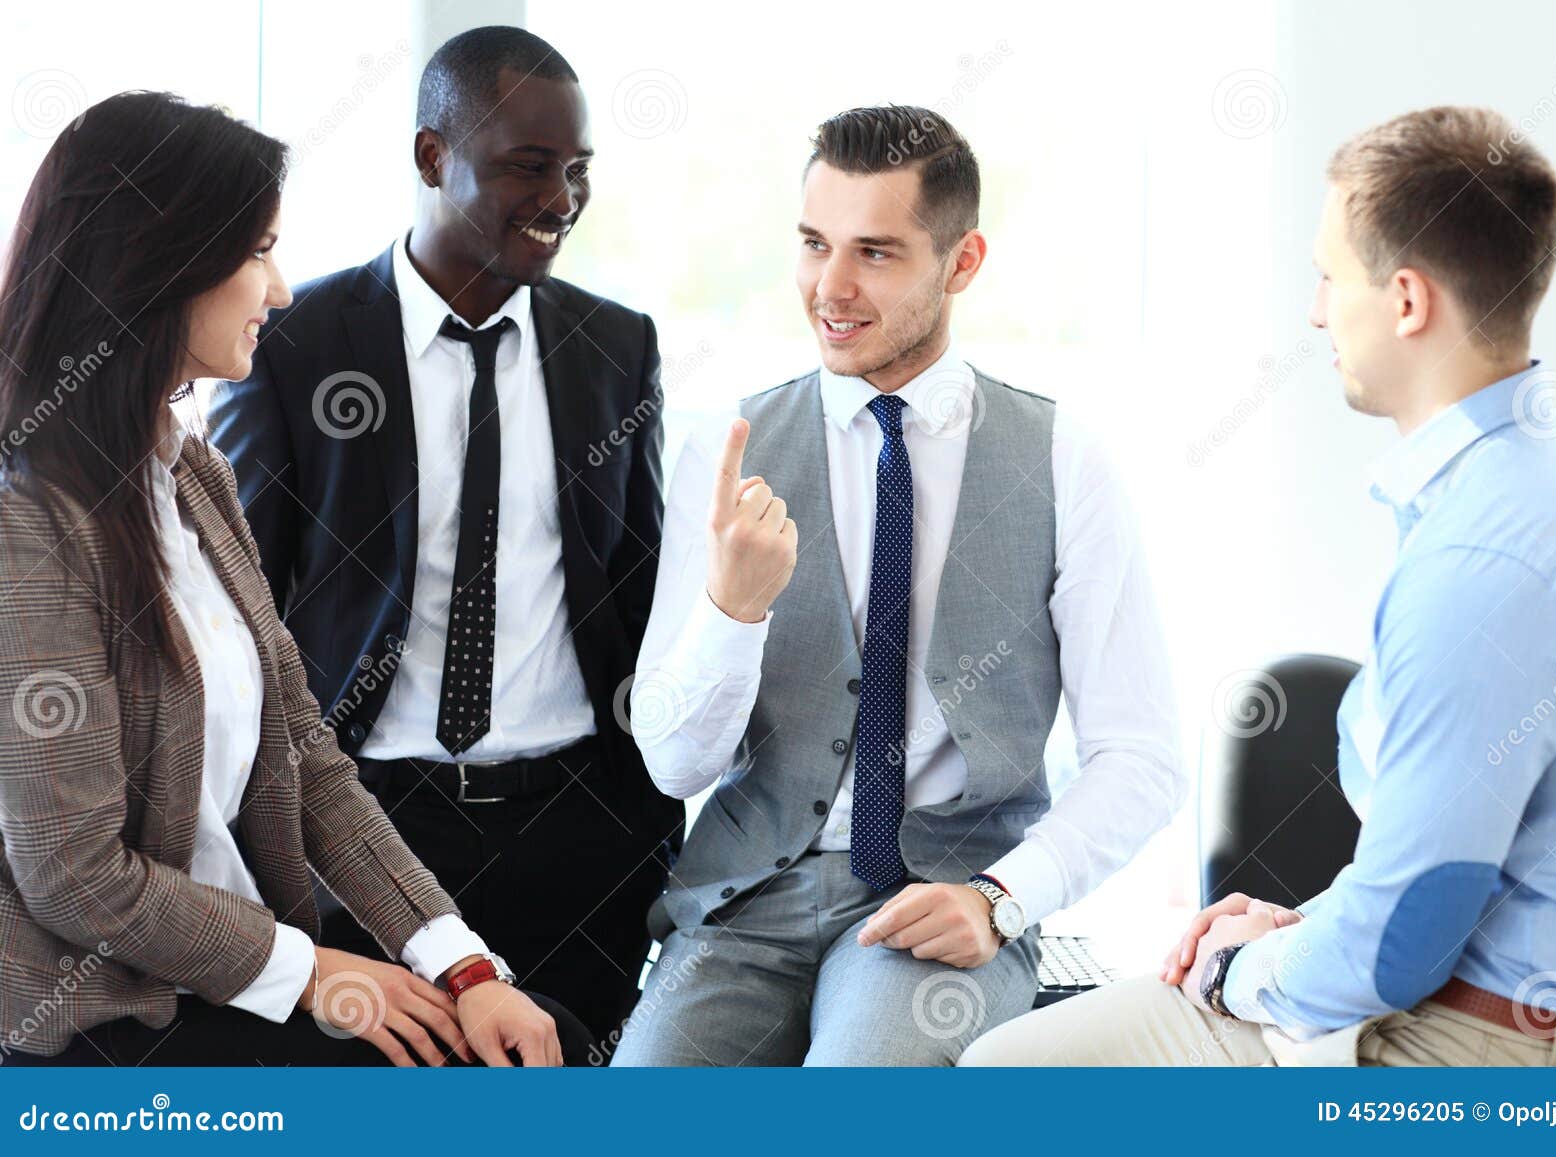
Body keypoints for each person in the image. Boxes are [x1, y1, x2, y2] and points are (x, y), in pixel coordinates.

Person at [962, 106, 1556, 1067]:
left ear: (1408, 302)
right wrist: (1303, 927)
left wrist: (1240, 968)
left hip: (1483, 1043)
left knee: (1009, 1075)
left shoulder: (1482, 557)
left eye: (1331, 276)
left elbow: (1404, 937)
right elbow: (1447, 867)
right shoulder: (1539, 476)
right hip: (1473, 989)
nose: (1314, 310)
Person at [0, 90, 589, 1067]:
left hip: (233, 971)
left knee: (534, 1033)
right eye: (258, 251)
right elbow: (73, 875)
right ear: (162, 263)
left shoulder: (190, 475)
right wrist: (319, 971)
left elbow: (303, 751)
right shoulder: (27, 521)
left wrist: (460, 963)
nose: (278, 291)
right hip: (103, 1023)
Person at [610, 105, 1185, 1067]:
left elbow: (1141, 754)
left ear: (962, 263)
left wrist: (1004, 898)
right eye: (812, 244)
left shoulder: (1064, 462)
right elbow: (672, 764)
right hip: (744, 903)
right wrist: (731, 610)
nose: (829, 288)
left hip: (944, 899)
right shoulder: (728, 448)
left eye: (874, 253)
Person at [209, 27, 679, 1046]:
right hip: (368, 827)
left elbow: (638, 585)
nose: (560, 199)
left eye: (577, 171)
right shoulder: (294, 343)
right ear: (433, 157)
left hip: (577, 831)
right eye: (528, 166)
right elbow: (239, 606)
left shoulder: (615, 346)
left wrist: (647, 812)